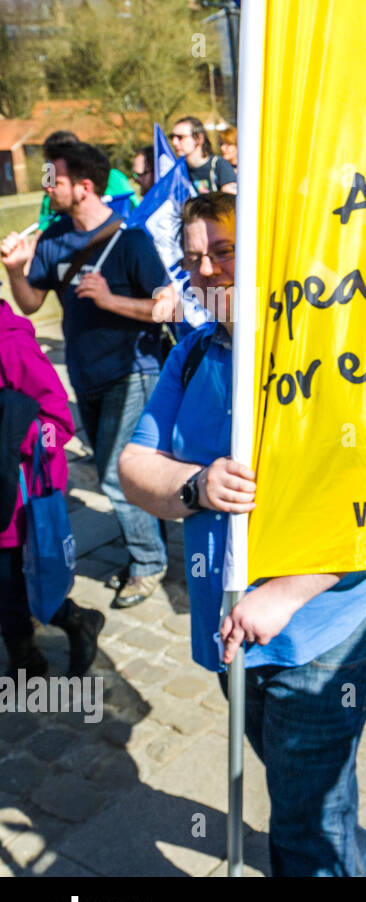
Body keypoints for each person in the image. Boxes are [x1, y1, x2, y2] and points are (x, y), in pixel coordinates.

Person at [117, 192, 366, 875]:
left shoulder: (335, 347)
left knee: (304, 824)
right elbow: (133, 467)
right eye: (192, 260)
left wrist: (290, 590)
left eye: (223, 252)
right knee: (304, 788)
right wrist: (193, 485)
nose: (207, 272)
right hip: (232, 627)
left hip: (325, 627)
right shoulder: (191, 353)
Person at [0, 140, 171, 608]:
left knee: (116, 473)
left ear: (85, 186)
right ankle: (150, 546)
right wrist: (17, 269)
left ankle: (149, 562)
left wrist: (110, 299)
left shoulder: (131, 240)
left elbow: (167, 307)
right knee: (125, 473)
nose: (46, 188)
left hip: (134, 371)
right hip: (86, 374)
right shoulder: (53, 240)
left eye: (53, 179)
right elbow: (31, 303)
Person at [0, 298, 105, 677]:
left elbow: (56, 424)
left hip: (15, 505)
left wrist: (8, 431)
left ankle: (77, 620)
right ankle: (25, 657)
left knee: (20, 588)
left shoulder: (12, 345)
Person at [170, 116, 236, 195]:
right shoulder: (177, 170)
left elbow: (230, 202)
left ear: (199, 138)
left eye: (180, 137)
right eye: (172, 137)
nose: (174, 142)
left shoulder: (218, 165)